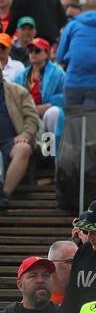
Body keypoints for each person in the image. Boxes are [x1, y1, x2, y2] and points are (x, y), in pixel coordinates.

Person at [0, 65, 40, 209]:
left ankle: (4, 194)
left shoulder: (18, 91)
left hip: (11, 140)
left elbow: (32, 118)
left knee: (23, 148)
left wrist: (25, 134)